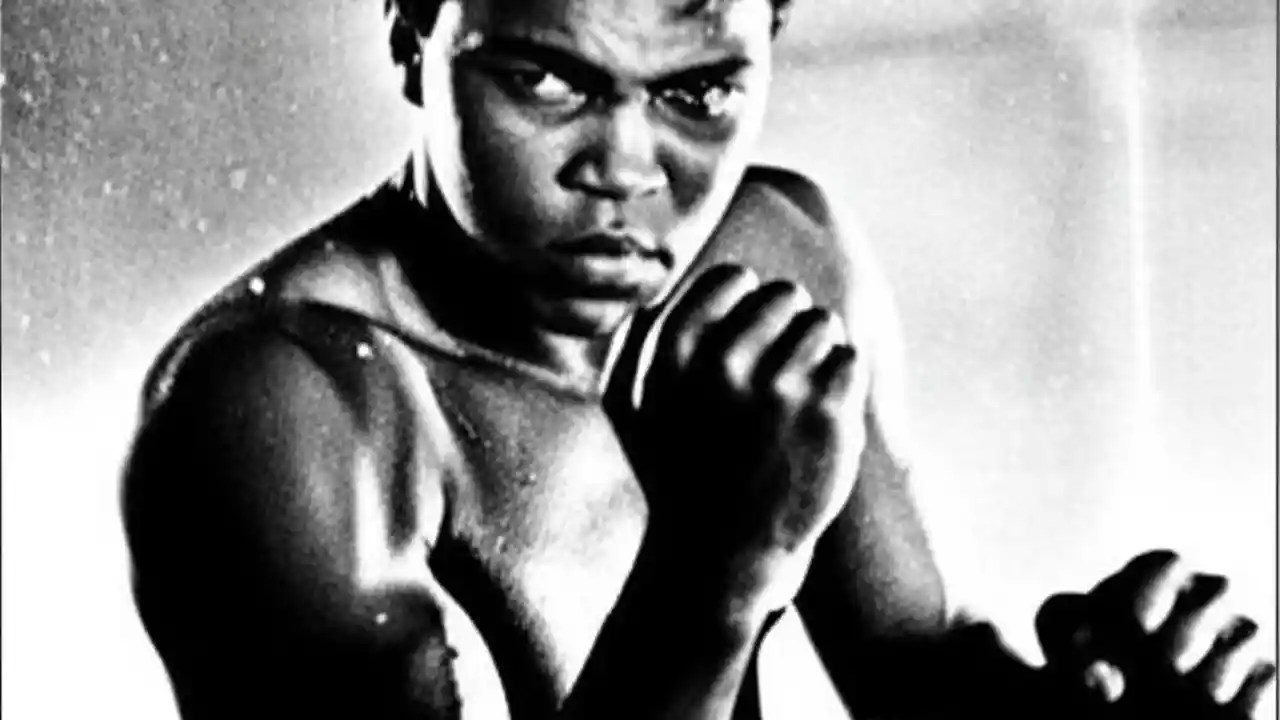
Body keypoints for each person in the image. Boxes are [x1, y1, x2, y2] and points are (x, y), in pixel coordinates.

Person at [120, 0, 1276, 718]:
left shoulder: (780, 256)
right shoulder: (279, 404)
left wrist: (1107, 701)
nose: (624, 169)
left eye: (697, 93)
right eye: (544, 78)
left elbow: (922, 674)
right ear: (414, 30)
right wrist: (715, 571)